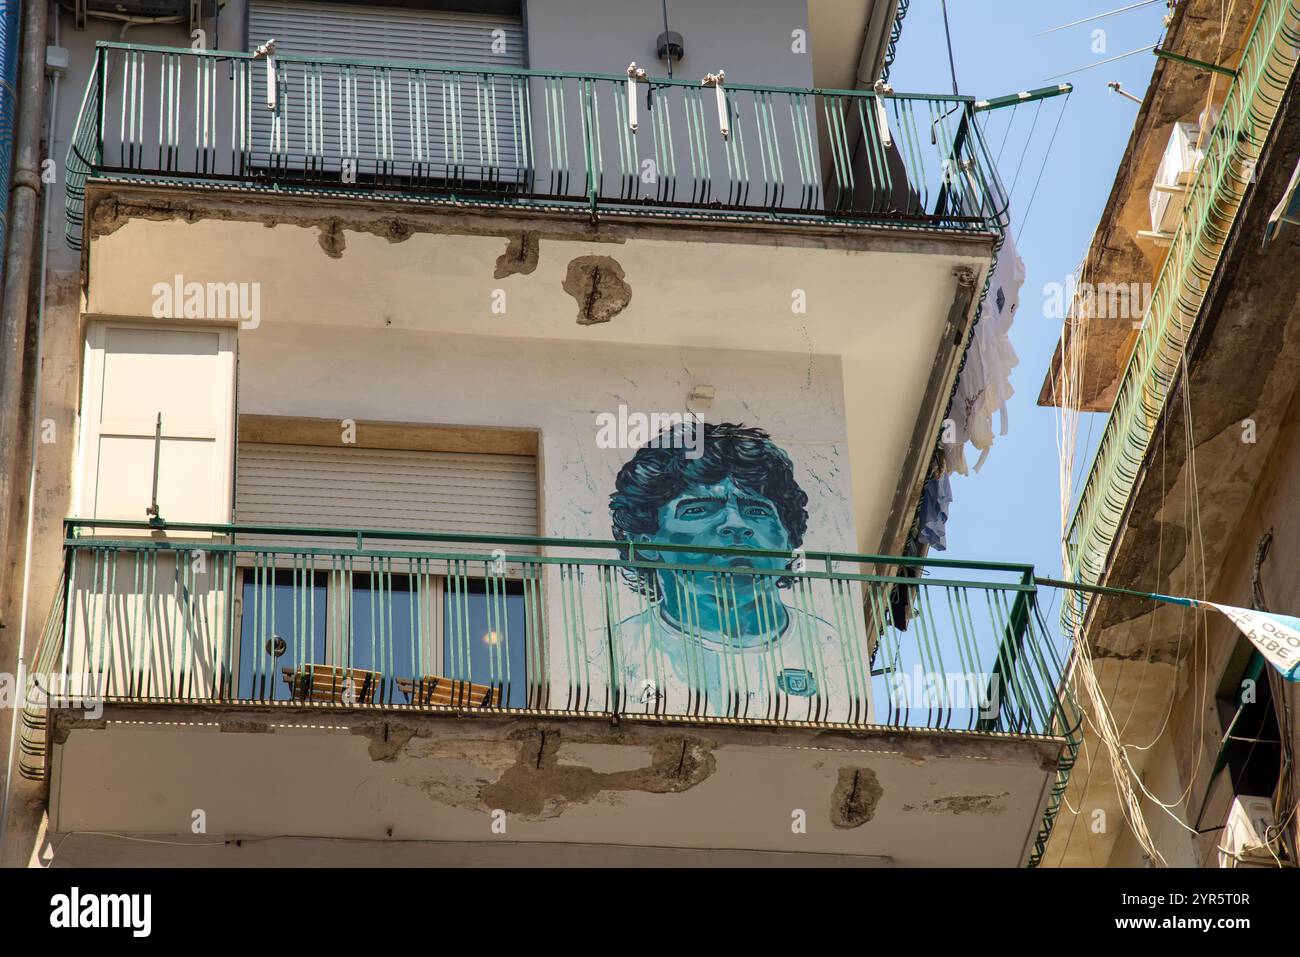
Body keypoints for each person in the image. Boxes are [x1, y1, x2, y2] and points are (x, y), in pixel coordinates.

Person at [607, 422, 840, 719]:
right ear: (645, 541)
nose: (736, 525)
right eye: (698, 509)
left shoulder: (832, 648)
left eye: (757, 511)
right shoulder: (615, 652)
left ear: (788, 539)